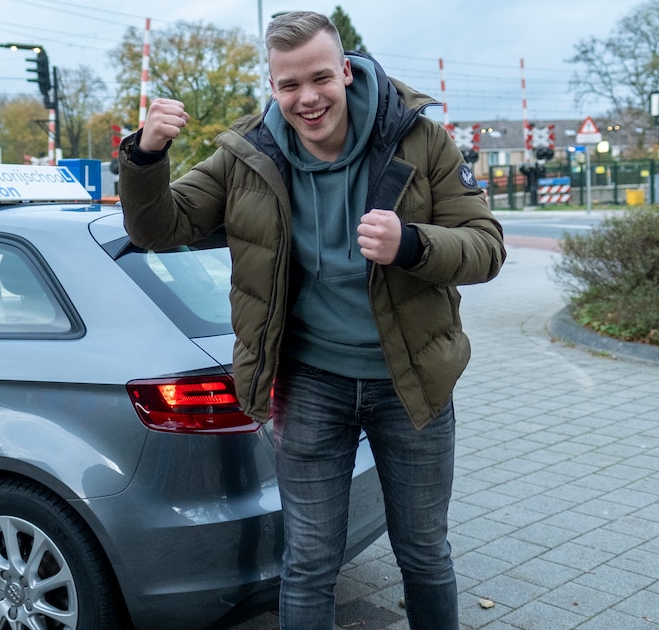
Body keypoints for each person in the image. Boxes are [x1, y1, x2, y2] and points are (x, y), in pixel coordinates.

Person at [117, 11, 505, 630]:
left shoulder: (417, 138)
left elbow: (487, 247)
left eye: (320, 78)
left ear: (345, 71)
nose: (307, 98)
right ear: (272, 85)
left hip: (409, 381)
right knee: (309, 561)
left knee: (425, 554)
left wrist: (412, 243)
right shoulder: (248, 154)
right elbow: (157, 228)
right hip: (309, 384)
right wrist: (145, 154)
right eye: (288, 85)